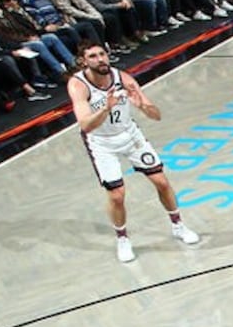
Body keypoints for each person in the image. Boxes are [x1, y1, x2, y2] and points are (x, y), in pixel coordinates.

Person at [67, 40, 201, 263]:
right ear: (83, 61)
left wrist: (142, 104)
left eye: (102, 54)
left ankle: (178, 225)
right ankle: (122, 239)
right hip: (101, 142)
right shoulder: (78, 85)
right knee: (117, 196)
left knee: (161, 181)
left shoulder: (124, 78)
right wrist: (106, 107)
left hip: (130, 135)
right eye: (93, 56)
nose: (100, 59)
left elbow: (156, 115)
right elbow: (86, 126)